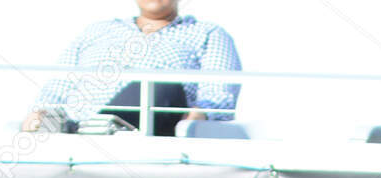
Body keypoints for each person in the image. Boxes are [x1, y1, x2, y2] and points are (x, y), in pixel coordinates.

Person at [23, 1, 241, 136]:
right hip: (78, 128)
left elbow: (218, 96)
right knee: (47, 120)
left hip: (157, 129)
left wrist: (198, 118)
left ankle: (109, 130)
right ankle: (88, 130)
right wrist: (39, 111)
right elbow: (59, 84)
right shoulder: (97, 31)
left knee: (157, 86)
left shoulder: (207, 33)